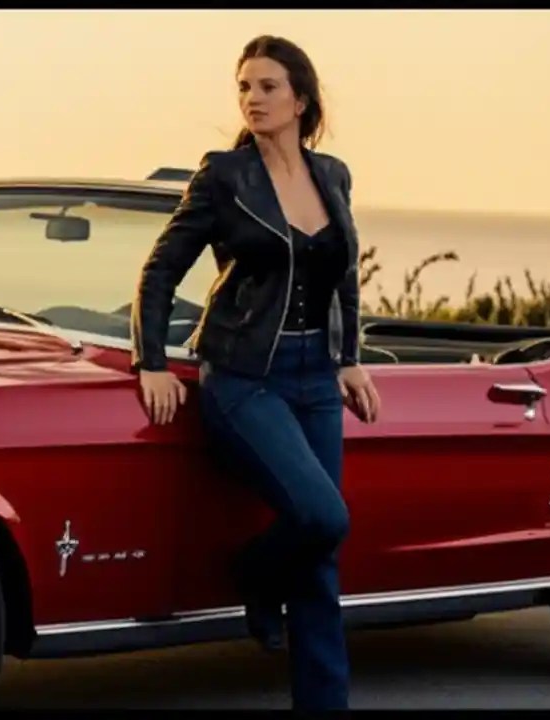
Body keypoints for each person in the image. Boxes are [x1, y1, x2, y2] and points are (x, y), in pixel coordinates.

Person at [130, 35, 382, 711]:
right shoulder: (224, 177)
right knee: (323, 515)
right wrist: (152, 362)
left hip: (315, 376)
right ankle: (251, 572)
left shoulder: (333, 175)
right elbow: (160, 270)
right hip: (244, 376)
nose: (252, 99)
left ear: (301, 98)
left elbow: (343, 274)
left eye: (268, 86)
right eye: (244, 87)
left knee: (320, 557)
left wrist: (350, 358)